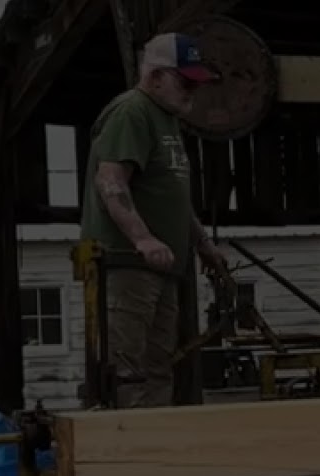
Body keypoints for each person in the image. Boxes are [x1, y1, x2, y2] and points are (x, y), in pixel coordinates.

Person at [79, 32, 226, 408]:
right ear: (156, 76)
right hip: (127, 263)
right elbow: (110, 181)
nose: (192, 91)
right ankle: (127, 450)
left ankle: (155, 447)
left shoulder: (166, 121)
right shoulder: (132, 112)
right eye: (185, 81)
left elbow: (173, 198)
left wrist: (203, 244)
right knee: (126, 367)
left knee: (158, 364)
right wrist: (143, 239)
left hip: (161, 266)